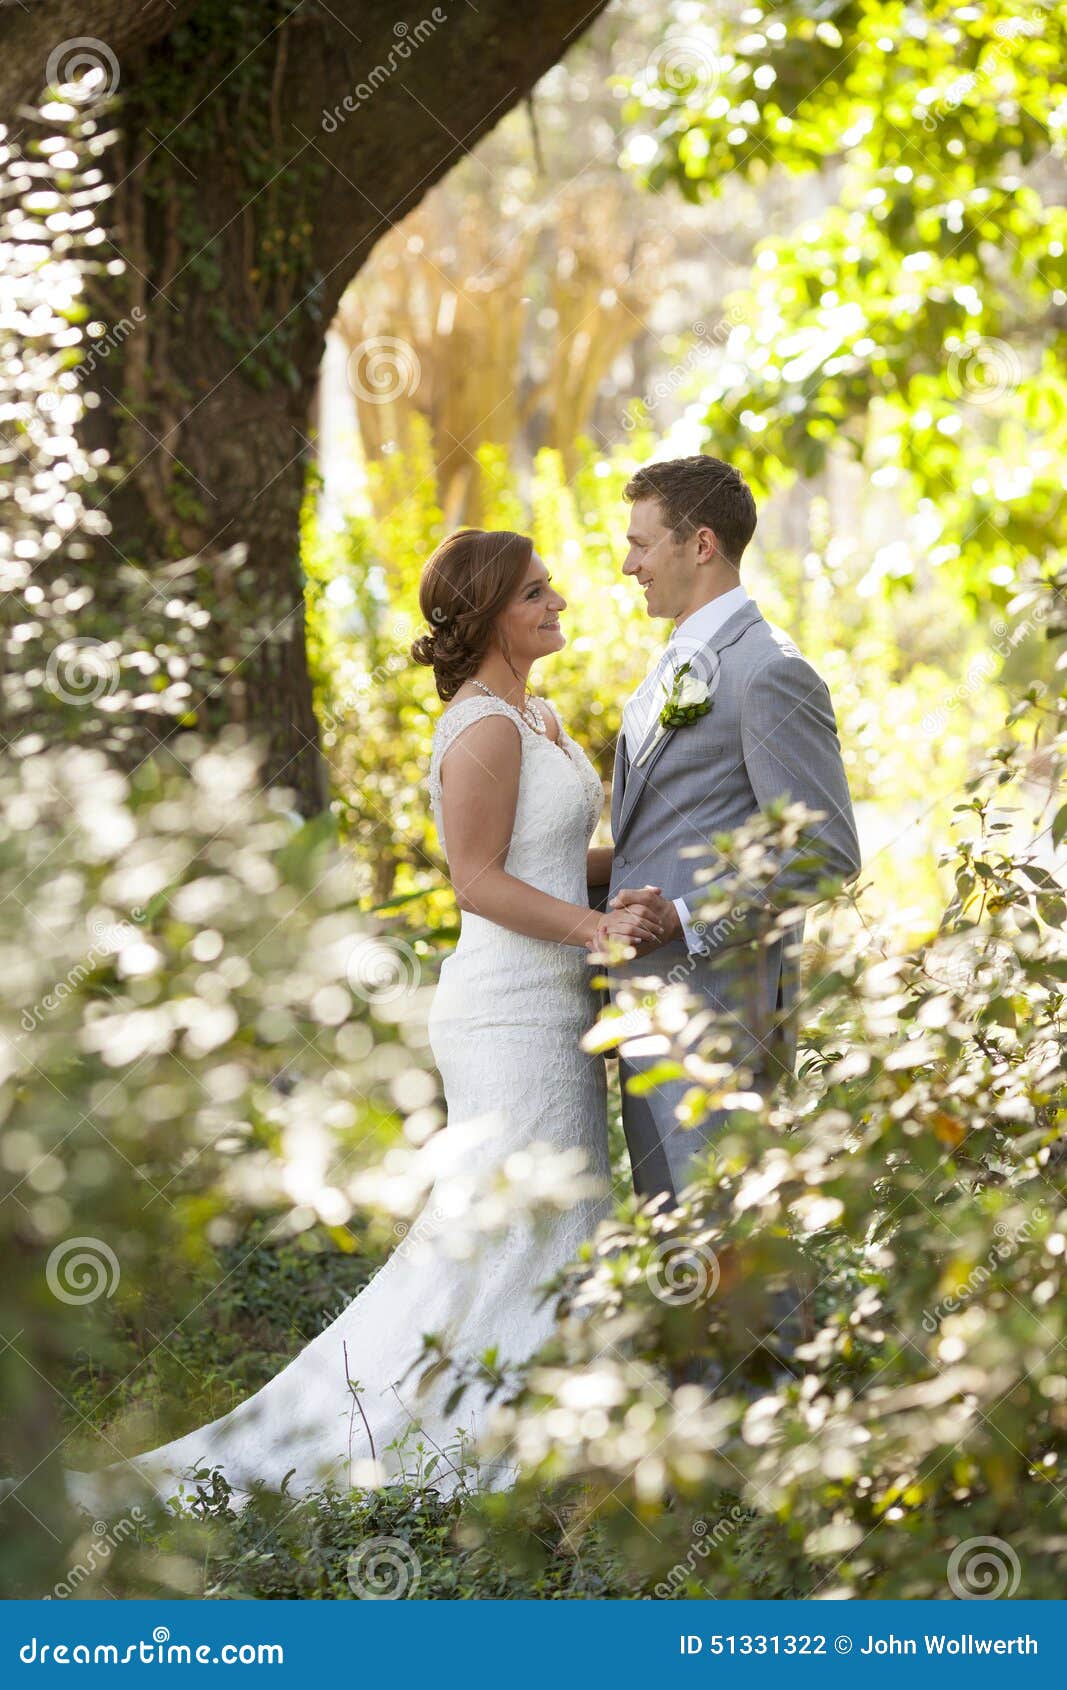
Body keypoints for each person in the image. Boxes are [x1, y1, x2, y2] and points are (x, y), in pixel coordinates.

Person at [65, 527, 642, 1515]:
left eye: (549, 588)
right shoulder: (482, 727)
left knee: (563, 1214)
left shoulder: (534, 713)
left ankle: (543, 1433)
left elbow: (543, 857)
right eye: (534, 593)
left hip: (556, 1006)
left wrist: (638, 875)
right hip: (504, 1010)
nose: (556, 602)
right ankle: (413, 1441)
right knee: (495, 1229)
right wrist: (598, 926)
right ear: (493, 613)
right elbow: (477, 880)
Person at [602, 455, 862, 1203]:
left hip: (720, 1003)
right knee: (675, 1235)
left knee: (736, 1249)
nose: (629, 565)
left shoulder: (768, 672)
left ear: (700, 544)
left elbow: (825, 852)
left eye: (641, 544)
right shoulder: (675, 661)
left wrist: (682, 917)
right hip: (646, 1001)